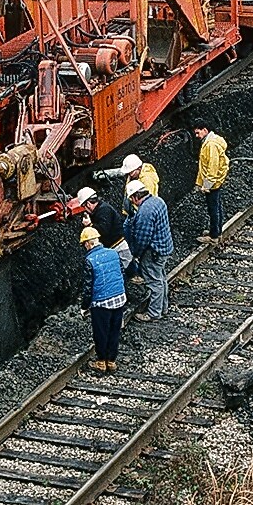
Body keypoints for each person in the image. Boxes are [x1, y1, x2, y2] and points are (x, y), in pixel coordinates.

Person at [123, 179, 174, 322]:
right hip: (164, 248)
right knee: (161, 279)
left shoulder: (145, 211)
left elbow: (142, 238)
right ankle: (163, 308)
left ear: (135, 197)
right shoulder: (158, 201)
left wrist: (135, 254)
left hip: (154, 252)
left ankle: (154, 313)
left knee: (154, 282)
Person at [80, 228, 127, 374]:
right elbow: (122, 273)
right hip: (119, 298)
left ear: (88, 244)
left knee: (101, 332)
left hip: (102, 302)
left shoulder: (90, 260)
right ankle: (111, 361)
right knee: (114, 330)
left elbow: (88, 287)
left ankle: (101, 362)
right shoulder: (113, 253)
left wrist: (84, 306)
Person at [191, 119, 230, 245]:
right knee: (217, 206)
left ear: (205, 130)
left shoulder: (210, 145)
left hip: (213, 183)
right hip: (216, 181)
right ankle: (217, 231)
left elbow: (211, 167)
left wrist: (206, 186)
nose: (196, 136)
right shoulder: (211, 141)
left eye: (198, 133)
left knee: (213, 209)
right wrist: (199, 182)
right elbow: (204, 166)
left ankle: (214, 237)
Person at [118, 154, 159, 218]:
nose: (130, 175)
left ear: (139, 168)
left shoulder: (147, 180)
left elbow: (147, 202)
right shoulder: (133, 175)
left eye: (131, 173)